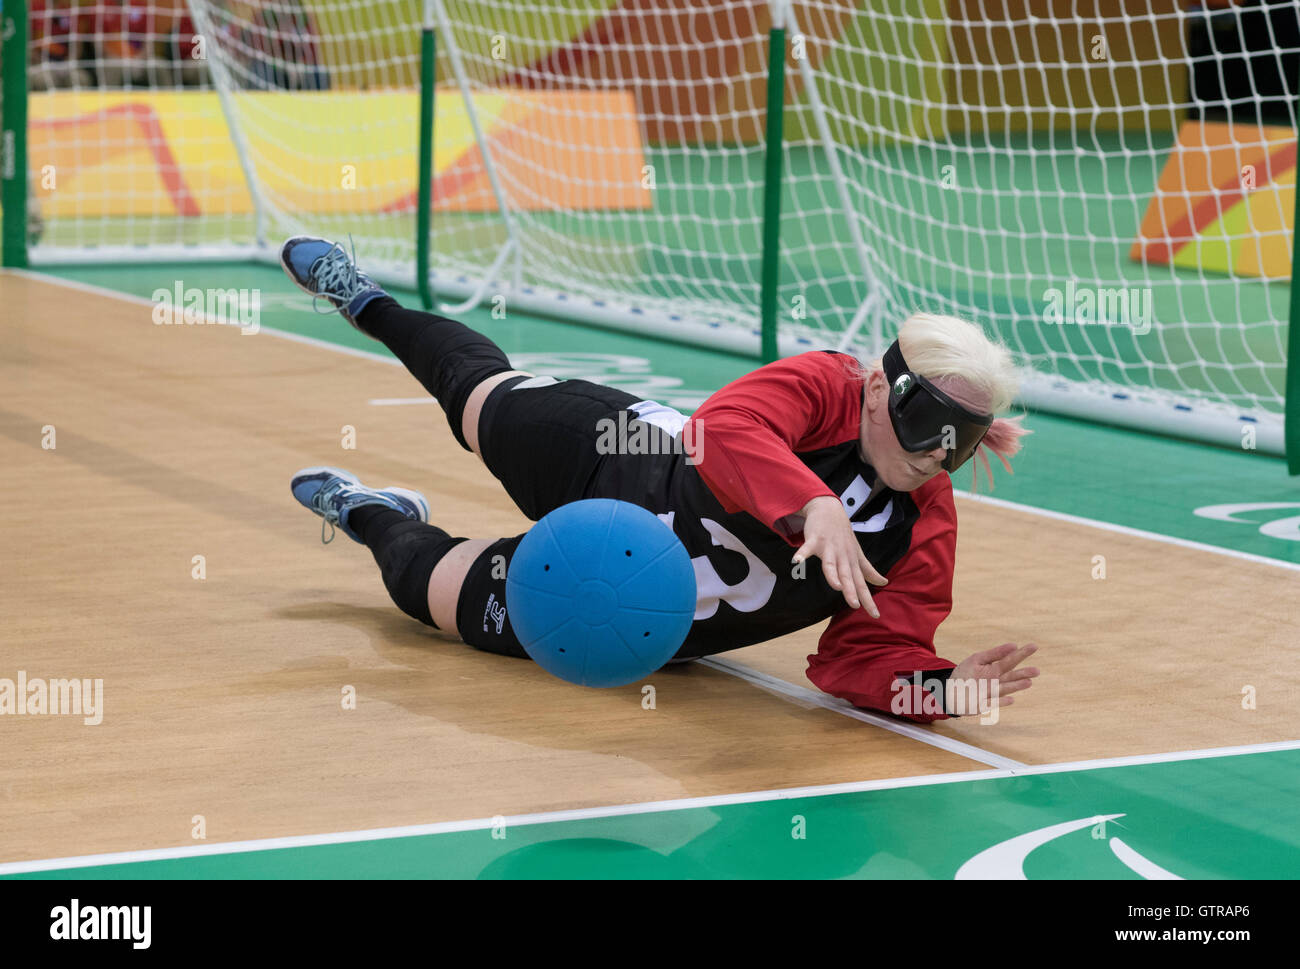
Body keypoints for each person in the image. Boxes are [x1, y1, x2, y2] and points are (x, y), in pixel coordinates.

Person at [281, 237, 1039, 723]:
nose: (939, 455)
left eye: (963, 440)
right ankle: (366, 301)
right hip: (613, 455)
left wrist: (938, 689)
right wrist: (812, 505)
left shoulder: (923, 523)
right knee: (477, 393)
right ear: (880, 390)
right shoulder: (828, 386)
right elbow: (722, 430)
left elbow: (861, 658)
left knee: (430, 593)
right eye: (930, 424)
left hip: (619, 606)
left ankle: (367, 511)